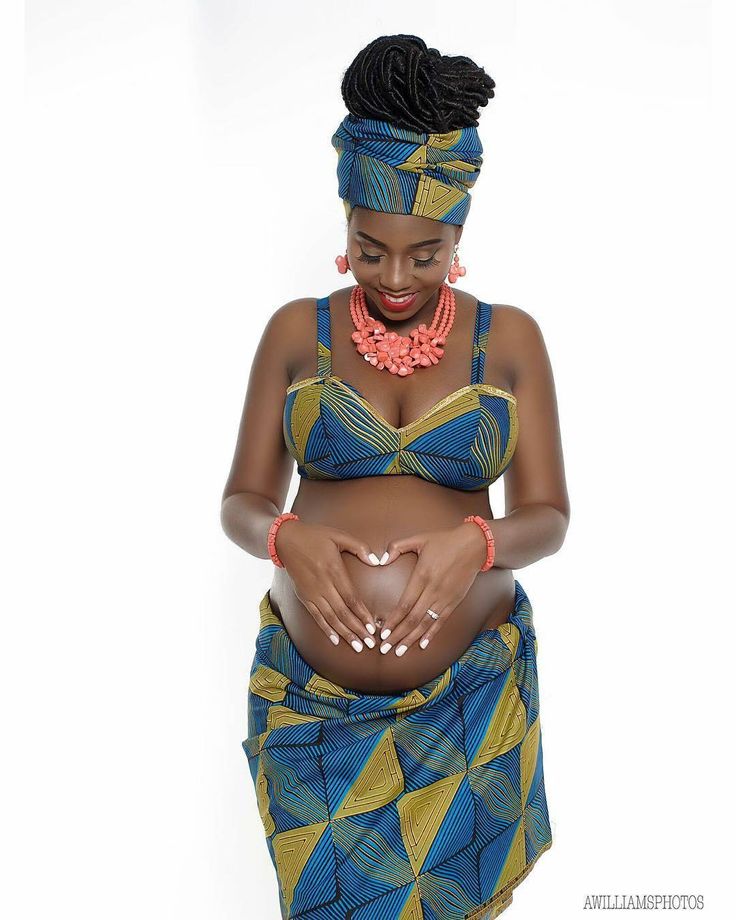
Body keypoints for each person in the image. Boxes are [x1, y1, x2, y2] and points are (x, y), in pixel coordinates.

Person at [221, 34, 569, 920]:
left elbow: (550, 516)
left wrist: (477, 545)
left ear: (459, 235)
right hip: (313, 717)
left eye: (426, 253)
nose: (396, 276)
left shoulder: (512, 340)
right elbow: (241, 500)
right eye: (370, 249)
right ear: (345, 224)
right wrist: (285, 538)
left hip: (470, 714)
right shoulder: (297, 333)